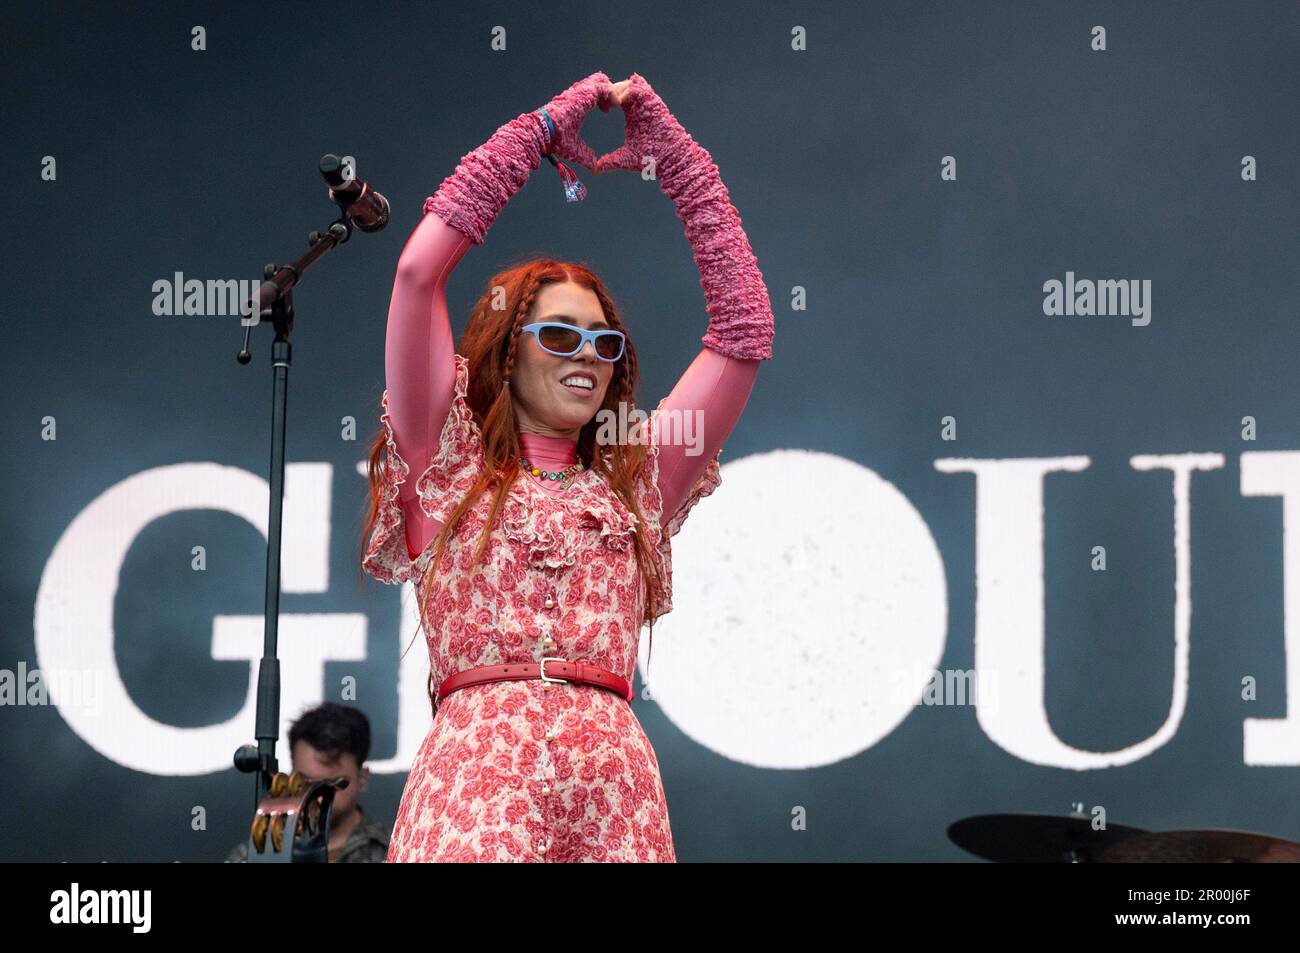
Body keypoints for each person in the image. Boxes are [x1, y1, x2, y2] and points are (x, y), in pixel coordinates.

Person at [360, 71, 774, 862]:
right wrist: (542, 128)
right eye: (558, 335)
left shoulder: (634, 479)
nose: (588, 355)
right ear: (503, 351)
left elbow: (744, 329)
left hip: (613, 782)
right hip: (479, 770)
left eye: (604, 342)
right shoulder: (442, 459)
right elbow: (419, 273)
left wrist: (678, 163)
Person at [225, 703, 389, 863]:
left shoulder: (396, 852)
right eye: (305, 781)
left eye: (332, 784)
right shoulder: (251, 857)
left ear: (363, 778)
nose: (316, 796)